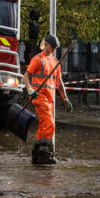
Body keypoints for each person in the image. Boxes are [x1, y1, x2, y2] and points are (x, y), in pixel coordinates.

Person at [24, 34, 72, 165]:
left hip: (49, 97)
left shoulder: (56, 62)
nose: (54, 50)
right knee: (50, 123)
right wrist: (30, 90)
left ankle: (37, 152)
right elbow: (26, 76)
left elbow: (59, 82)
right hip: (38, 95)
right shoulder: (37, 59)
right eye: (53, 47)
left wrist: (65, 98)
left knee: (44, 125)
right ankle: (45, 153)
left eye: (56, 48)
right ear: (46, 45)